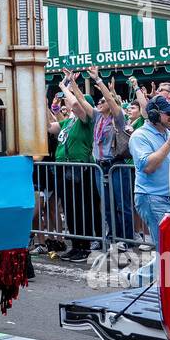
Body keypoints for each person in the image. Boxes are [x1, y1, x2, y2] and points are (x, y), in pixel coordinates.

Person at [128, 94, 170, 283]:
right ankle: (148, 283)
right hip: (151, 197)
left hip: (168, 197)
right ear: (154, 115)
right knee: (167, 247)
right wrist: (169, 145)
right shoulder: (140, 136)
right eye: (168, 113)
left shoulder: (168, 134)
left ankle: (140, 280)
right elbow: (148, 166)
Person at [52, 71, 100, 262]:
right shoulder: (69, 122)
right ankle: (75, 245)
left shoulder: (86, 120)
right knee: (70, 209)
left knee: (81, 208)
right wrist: (51, 104)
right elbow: (50, 126)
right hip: (66, 168)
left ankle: (84, 247)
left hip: (80, 168)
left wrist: (65, 87)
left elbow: (74, 104)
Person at [84, 67, 134, 244]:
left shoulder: (118, 117)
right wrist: (70, 83)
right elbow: (79, 102)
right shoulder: (97, 116)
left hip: (116, 164)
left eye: (103, 101)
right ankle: (112, 236)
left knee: (122, 205)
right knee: (107, 206)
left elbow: (112, 101)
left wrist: (98, 80)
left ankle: (126, 238)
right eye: (99, 101)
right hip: (100, 165)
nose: (100, 103)